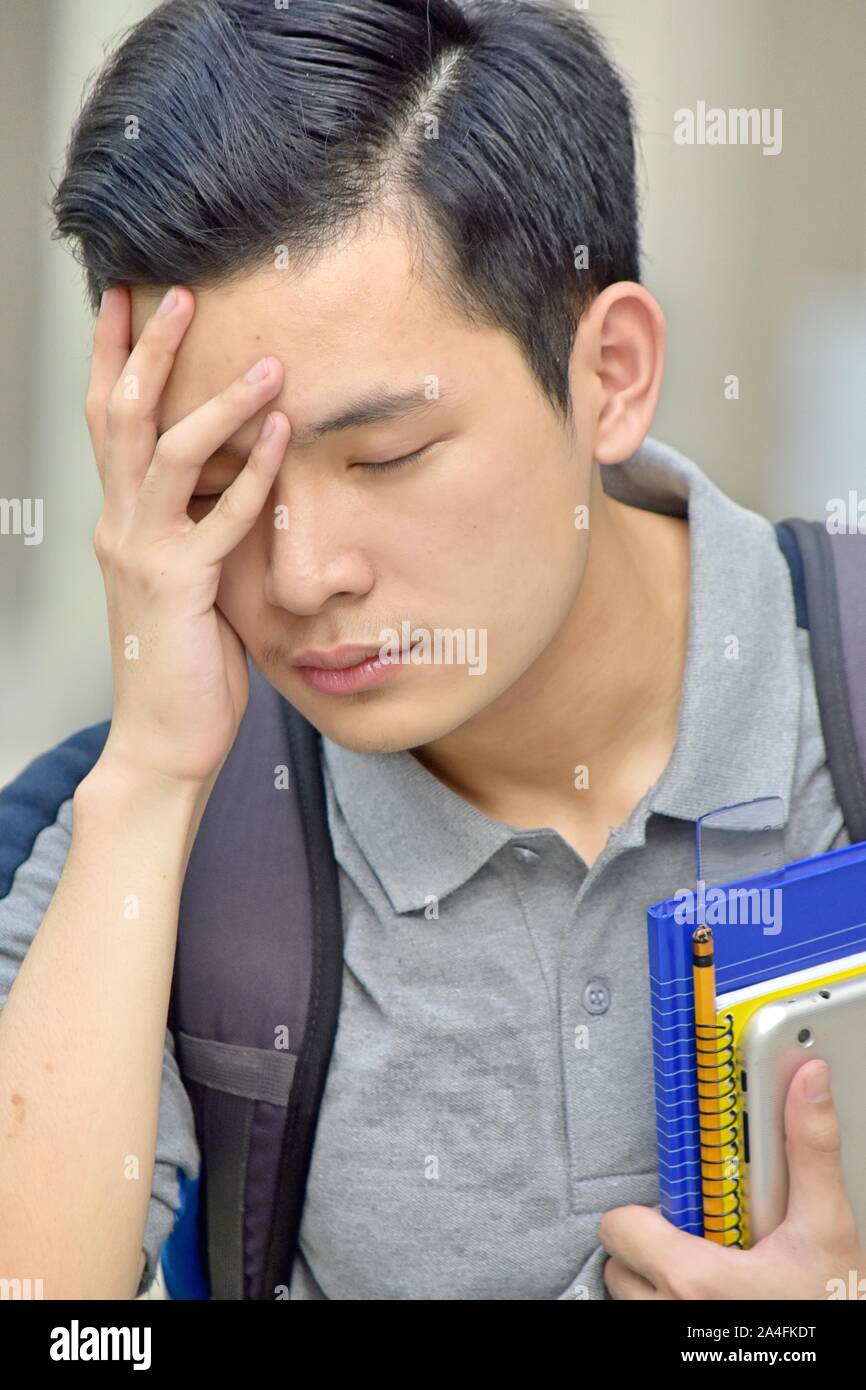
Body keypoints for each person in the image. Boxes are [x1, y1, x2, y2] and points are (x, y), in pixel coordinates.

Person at [0, 0, 860, 1300]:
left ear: (609, 373)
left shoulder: (829, 700)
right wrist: (152, 778)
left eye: (386, 458)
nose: (299, 575)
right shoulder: (136, 840)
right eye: (219, 486)